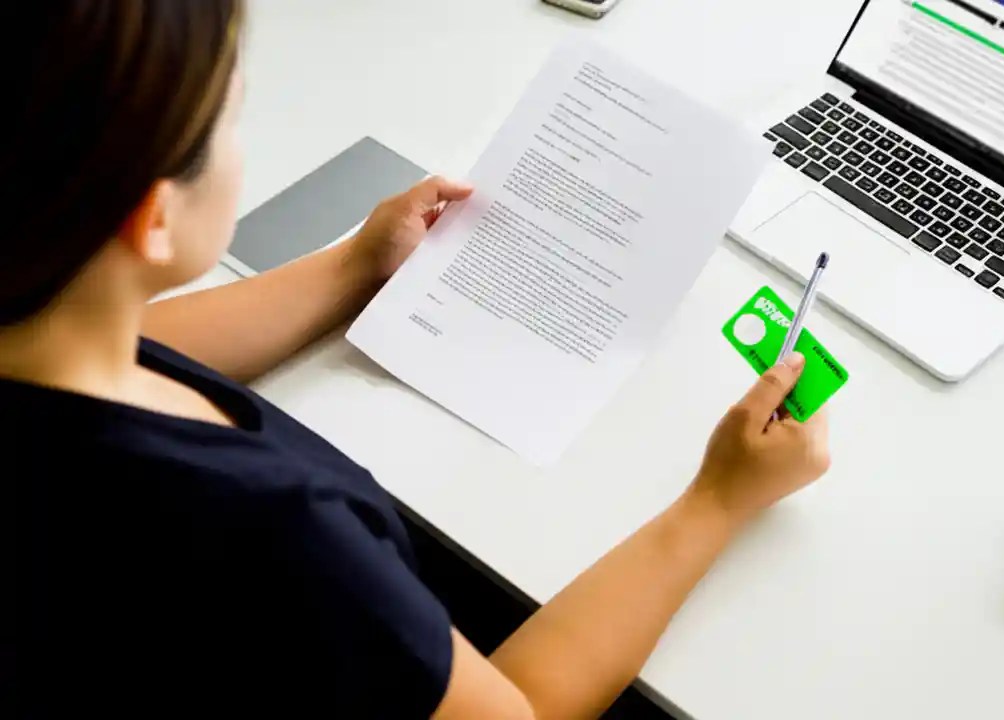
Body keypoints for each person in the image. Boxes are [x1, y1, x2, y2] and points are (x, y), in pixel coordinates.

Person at [8, 3, 830, 718]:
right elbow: (522, 711)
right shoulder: (274, 528)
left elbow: (142, 343)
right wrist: (717, 499)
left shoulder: (39, 337)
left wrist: (354, 266)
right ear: (153, 218)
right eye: (227, 116)